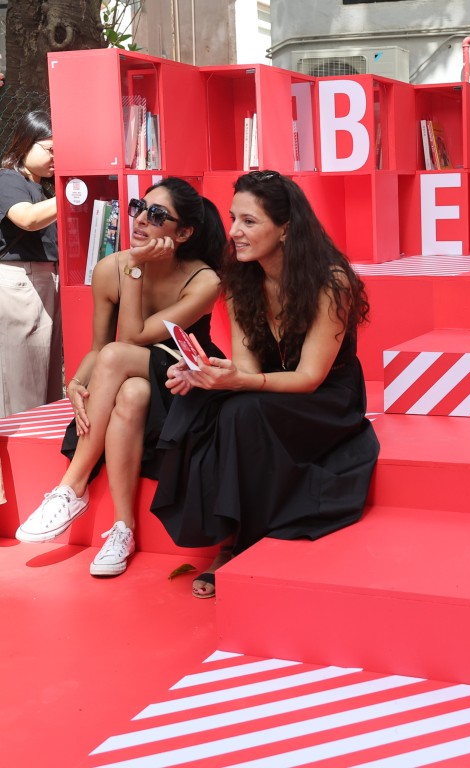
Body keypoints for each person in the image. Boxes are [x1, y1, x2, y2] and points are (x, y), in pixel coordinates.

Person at [150, 170, 380, 598]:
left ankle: (237, 542)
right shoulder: (241, 279)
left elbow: (309, 377)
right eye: (234, 218)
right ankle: (229, 534)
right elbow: (245, 366)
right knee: (199, 402)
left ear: (286, 229)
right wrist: (205, 375)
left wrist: (238, 382)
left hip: (327, 399)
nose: (234, 231)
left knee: (241, 410)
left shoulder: (331, 281)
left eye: (249, 222)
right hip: (270, 387)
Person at [15, 177, 226, 579]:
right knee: (129, 393)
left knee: (121, 359)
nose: (143, 219)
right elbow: (98, 348)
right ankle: (122, 529)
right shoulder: (108, 268)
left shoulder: (204, 280)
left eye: (158, 214)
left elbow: (132, 339)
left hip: (182, 382)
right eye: (139, 207)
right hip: (132, 379)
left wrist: (135, 269)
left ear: (183, 233)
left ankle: (72, 485)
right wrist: (75, 384)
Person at [0, 110, 61, 418]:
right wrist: (73, 190)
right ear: (26, 143)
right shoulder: (7, 179)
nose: (57, 158)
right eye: (51, 149)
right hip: (19, 285)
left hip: (43, 284)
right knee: (21, 390)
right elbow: (26, 218)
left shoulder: (45, 188)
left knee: (46, 388)